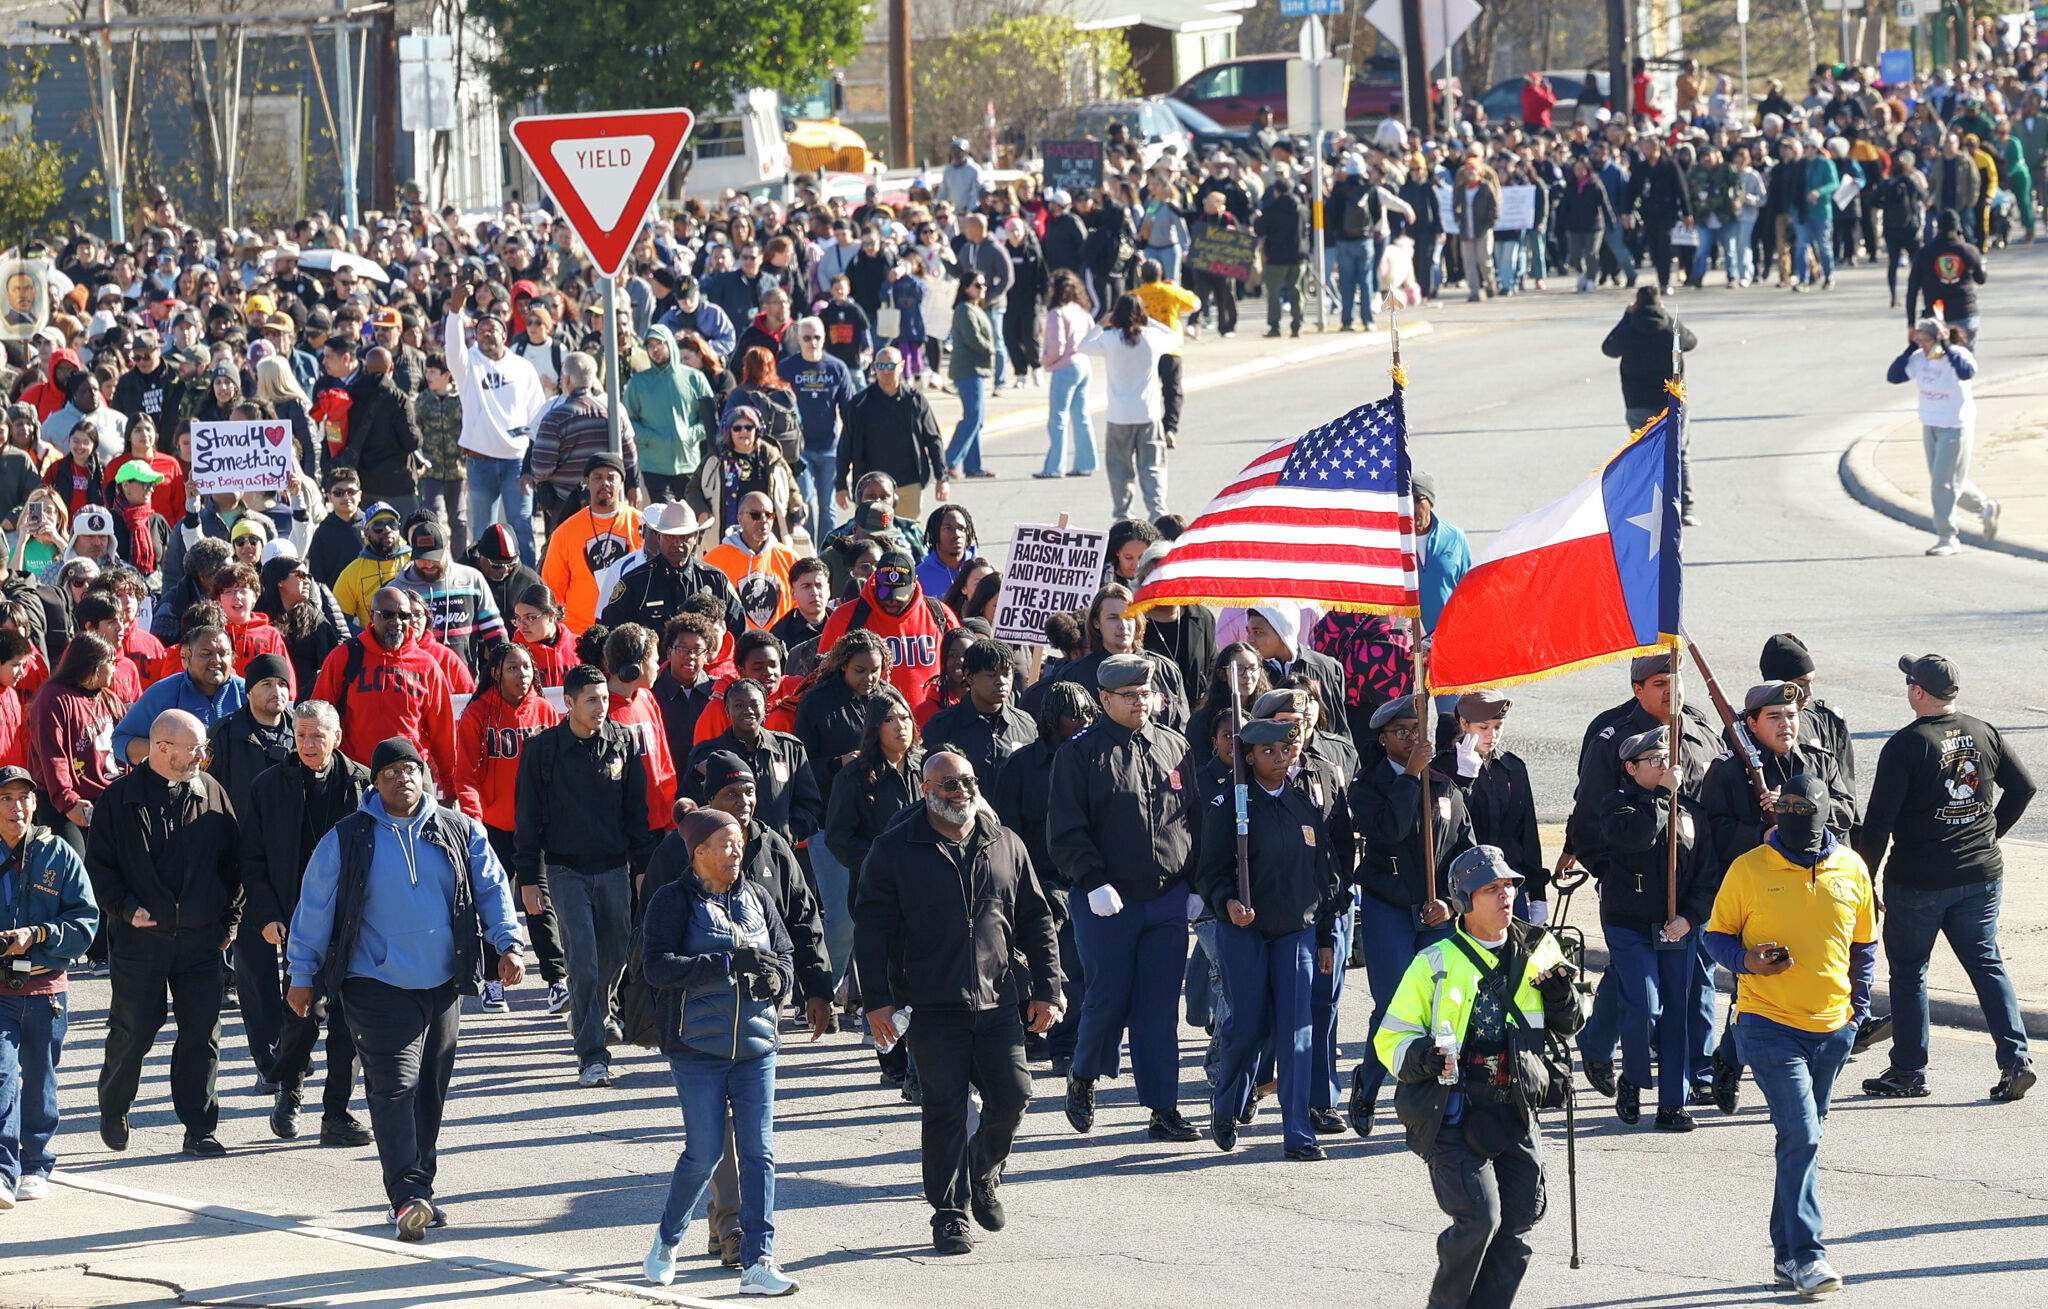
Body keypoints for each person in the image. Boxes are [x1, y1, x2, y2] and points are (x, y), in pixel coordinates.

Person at [286, 737, 527, 1240]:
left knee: (429, 1092)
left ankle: (422, 1190)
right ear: (375, 783)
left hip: (442, 981)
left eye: (410, 769)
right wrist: (302, 973)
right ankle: (406, 1197)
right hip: (373, 982)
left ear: (425, 776)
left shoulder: (459, 829)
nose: (402, 778)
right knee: (393, 1088)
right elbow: (315, 907)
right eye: (390, 772)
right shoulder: (348, 837)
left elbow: (490, 887)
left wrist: (508, 944)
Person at [854, 747, 1063, 1256]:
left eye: (968, 781)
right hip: (931, 1005)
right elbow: (872, 930)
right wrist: (877, 1002)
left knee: (1014, 1095)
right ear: (926, 791)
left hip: (998, 1000)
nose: (962, 792)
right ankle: (949, 1215)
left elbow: (1036, 919)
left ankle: (983, 1170)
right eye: (949, 784)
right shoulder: (895, 848)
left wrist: (1049, 988)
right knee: (945, 1109)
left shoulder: (1005, 843)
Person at [1375, 845, 1584, 1309]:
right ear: (1464, 901)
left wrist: (1562, 997)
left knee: (1518, 1224)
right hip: (1453, 1112)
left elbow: (1572, 1023)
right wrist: (1423, 1057)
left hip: (1516, 1108)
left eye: (1509, 885)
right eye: (1491, 888)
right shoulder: (1434, 961)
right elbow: (1390, 1038)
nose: (1506, 895)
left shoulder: (1542, 948)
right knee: (1478, 1220)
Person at [1703, 774, 1876, 1298]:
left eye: (1805, 809)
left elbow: (1864, 944)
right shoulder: (1749, 868)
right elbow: (1716, 935)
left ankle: (1784, 1256)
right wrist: (1747, 962)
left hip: (1832, 1028)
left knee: (1803, 1139)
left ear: (1825, 815)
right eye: (1787, 807)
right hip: (1767, 1022)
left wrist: (1858, 1012)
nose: (1794, 816)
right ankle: (1807, 1255)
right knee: (1801, 1133)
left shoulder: (1852, 867)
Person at [1856, 653, 2035, 1102]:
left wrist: (1863, 880)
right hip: (1980, 873)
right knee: (1986, 963)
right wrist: (1989, 833)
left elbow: (1877, 825)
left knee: (1909, 972)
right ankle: (2016, 1060)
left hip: (1919, 881)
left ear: (1918, 692)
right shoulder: (1983, 731)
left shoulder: (1906, 746)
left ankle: (1908, 1071)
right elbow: (2024, 787)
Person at [638, 807, 800, 1294]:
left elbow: (785, 954)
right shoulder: (672, 900)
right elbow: (657, 967)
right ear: (699, 851)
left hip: (757, 1047)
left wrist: (778, 981)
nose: (736, 852)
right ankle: (667, 1240)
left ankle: (759, 1261)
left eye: (740, 844)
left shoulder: (757, 897)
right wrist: (727, 962)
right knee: (705, 1153)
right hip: (696, 1049)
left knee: (759, 1153)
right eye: (726, 845)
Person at [1048, 653, 1200, 1143]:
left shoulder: (1174, 746)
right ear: (1104, 699)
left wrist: (1195, 885)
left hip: (1167, 898)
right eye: (1129, 695)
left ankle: (1163, 1107)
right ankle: (1083, 1075)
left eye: (1146, 693)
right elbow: (1066, 830)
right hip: (1107, 899)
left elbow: (1193, 820)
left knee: (1159, 1007)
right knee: (1107, 998)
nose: (1140, 702)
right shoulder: (1080, 754)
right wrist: (1092, 881)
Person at [87, 709, 241, 1157]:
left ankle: (199, 1127)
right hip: (141, 939)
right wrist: (125, 908)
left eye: (203, 748)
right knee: (133, 1029)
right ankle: (114, 1106)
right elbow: (99, 870)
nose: (201, 757)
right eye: (193, 749)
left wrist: (229, 922)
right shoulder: (120, 800)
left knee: (202, 1034)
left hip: (201, 939)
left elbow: (235, 864)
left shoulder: (211, 792)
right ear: (161, 748)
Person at [1195, 711, 1340, 1159]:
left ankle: (1298, 1133)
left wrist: (1325, 936)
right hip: (1246, 932)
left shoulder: (1303, 804)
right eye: (1268, 751)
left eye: (1286, 749)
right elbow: (1209, 872)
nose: (1280, 758)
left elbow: (1324, 877)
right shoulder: (1228, 805)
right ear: (1249, 756)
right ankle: (1226, 1104)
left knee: (1297, 1032)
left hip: (1296, 932)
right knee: (1247, 1026)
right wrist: (1227, 903)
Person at [513, 664, 656, 1088]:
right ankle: (592, 1055)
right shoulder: (543, 750)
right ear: (569, 703)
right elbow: (527, 819)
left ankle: (595, 1013)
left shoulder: (623, 742)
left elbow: (637, 813)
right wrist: (529, 878)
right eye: (591, 700)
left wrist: (642, 868)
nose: (600, 707)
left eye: (605, 699)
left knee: (615, 957)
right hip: (565, 870)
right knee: (583, 962)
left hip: (614, 868)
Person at [243, 700, 373, 1145]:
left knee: (349, 1021)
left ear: (337, 737)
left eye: (318, 735)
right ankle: (290, 1091)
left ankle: (336, 1111)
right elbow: (252, 859)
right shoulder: (268, 786)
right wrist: (266, 914)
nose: (309, 745)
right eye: (301, 736)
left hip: (355, 920)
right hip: (298, 918)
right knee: (301, 1012)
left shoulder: (363, 784)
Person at [1345, 696, 1475, 1137]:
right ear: (1382, 739)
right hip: (1389, 909)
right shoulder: (1368, 785)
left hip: (1436, 914)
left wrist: (1453, 903)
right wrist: (1409, 777)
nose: (1413, 739)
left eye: (1418, 730)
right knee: (1394, 1006)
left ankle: (1433, 1102)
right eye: (1402, 732)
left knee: (1441, 1008)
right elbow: (1387, 830)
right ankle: (1368, 1086)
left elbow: (1466, 853)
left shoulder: (1445, 786)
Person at [1596, 726, 1720, 1131]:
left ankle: (1672, 1103)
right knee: (1645, 1005)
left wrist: (1690, 917)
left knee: (1678, 1013)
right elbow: (1637, 837)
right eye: (1654, 760)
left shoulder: (1692, 813)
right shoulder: (1618, 805)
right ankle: (1633, 1078)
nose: (1666, 765)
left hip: (1676, 927)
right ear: (1631, 768)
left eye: (1668, 758)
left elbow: (1707, 876)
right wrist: (1662, 796)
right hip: (1630, 925)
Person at [0, 763, 98, 1207]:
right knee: (2, 1076)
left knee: (41, 1082)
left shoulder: (58, 853)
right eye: (5, 798)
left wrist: (37, 935)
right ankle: (4, 1170)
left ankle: (36, 1165)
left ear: (35, 804)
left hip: (45, 991)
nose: (16, 807)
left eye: (23, 798)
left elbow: (86, 922)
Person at [453, 641, 568, 1015]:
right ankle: (492, 982)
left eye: (526, 667)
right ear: (495, 673)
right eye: (512, 668)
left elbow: (560, 772)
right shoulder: (477, 714)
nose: (521, 675)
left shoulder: (546, 711)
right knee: (492, 903)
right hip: (493, 827)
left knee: (539, 903)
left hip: (536, 828)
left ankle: (556, 981)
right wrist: (475, 820)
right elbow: (465, 774)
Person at [443, 279, 548, 567]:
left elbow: (537, 415)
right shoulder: (468, 364)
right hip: (480, 462)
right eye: (481, 331)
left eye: (493, 330)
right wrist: (455, 312)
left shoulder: (522, 367)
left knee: (521, 526)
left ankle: (528, 581)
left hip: (516, 462)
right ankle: (484, 583)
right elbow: (453, 349)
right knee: (483, 532)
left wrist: (531, 459)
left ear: (505, 335)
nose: (487, 334)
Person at [309, 586, 458, 785]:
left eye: (404, 616)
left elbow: (444, 732)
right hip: (357, 775)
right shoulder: (344, 657)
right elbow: (318, 717)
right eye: (387, 615)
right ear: (372, 616)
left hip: (411, 774)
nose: (396, 622)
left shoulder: (427, 665)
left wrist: (451, 785)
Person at [1887, 319, 1997, 555]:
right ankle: (1986, 507)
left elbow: (1966, 373)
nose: (1923, 345)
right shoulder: (1919, 358)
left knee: (1942, 484)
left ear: (1939, 338)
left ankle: (1948, 537)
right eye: (1919, 340)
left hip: (1955, 425)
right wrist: (1910, 348)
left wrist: (1946, 346)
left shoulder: (1957, 355)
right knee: (1947, 481)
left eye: (1926, 340)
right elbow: (1894, 377)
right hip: (1930, 424)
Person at [1601, 286, 1698, 524]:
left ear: (1636, 305)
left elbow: (1608, 348)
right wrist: (1668, 316)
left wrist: (1626, 317)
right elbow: (1691, 341)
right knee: (1679, 453)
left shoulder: (1629, 330)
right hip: (1672, 403)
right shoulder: (1670, 329)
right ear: (1659, 303)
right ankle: (1685, 508)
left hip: (1638, 404)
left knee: (1643, 456)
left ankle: (1647, 508)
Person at [1079, 296, 1177, 522]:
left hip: (1119, 415)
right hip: (1148, 414)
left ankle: (1123, 517)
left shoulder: (1110, 339)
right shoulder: (1152, 337)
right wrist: (1149, 320)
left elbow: (1082, 346)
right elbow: (1175, 337)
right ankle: (1158, 514)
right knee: (1152, 467)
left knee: (1119, 470)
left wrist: (1100, 324)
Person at [541, 451, 644, 635]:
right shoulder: (565, 532)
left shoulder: (641, 525)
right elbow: (553, 591)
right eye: (597, 477)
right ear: (587, 481)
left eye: (611, 477)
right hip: (580, 632)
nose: (605, 483)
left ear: (621, 482)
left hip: (629, 630)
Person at [922, 638, 1036, 782]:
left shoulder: (1026, 725)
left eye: (1006, 674)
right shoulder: (941, 726)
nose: (1001, 681)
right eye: (991, 675)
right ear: (970, 676)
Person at [943, 273, 996, 481]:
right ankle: (949, 462)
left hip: (976, 369)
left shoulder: (975, 308)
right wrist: (992, 349)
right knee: (972, 417)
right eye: (977, 285)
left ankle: (973, 466)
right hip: (967, 370)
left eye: (984, 284)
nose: (982, 288)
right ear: (966, 287)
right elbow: (972, 338)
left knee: (977, 419)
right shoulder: (964, 309)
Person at [1254, 179, 1307, 336]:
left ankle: (1274, 327)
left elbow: (1260, 229)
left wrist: (1258, 219)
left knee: (1274, 294)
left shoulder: (1271, 209)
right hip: (1298, 256)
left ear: (1276, 191)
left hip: (1276, 257)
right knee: (1297, 292)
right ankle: (1297, 326)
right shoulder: (1302, 209)